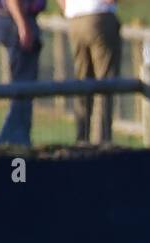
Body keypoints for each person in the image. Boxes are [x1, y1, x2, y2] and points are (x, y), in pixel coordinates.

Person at [58, 0, 120, 144]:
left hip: (75, 21)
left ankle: (81, 139)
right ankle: (102, 141)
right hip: (100, 16)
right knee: (104, 84)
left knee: (82, 82)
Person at [0, 1, 46, 146]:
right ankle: (13, 141)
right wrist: (22, 24)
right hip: (18, 21)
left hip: (20, 20)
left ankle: (17, 138)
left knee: (25, 87)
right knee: (23, 86)